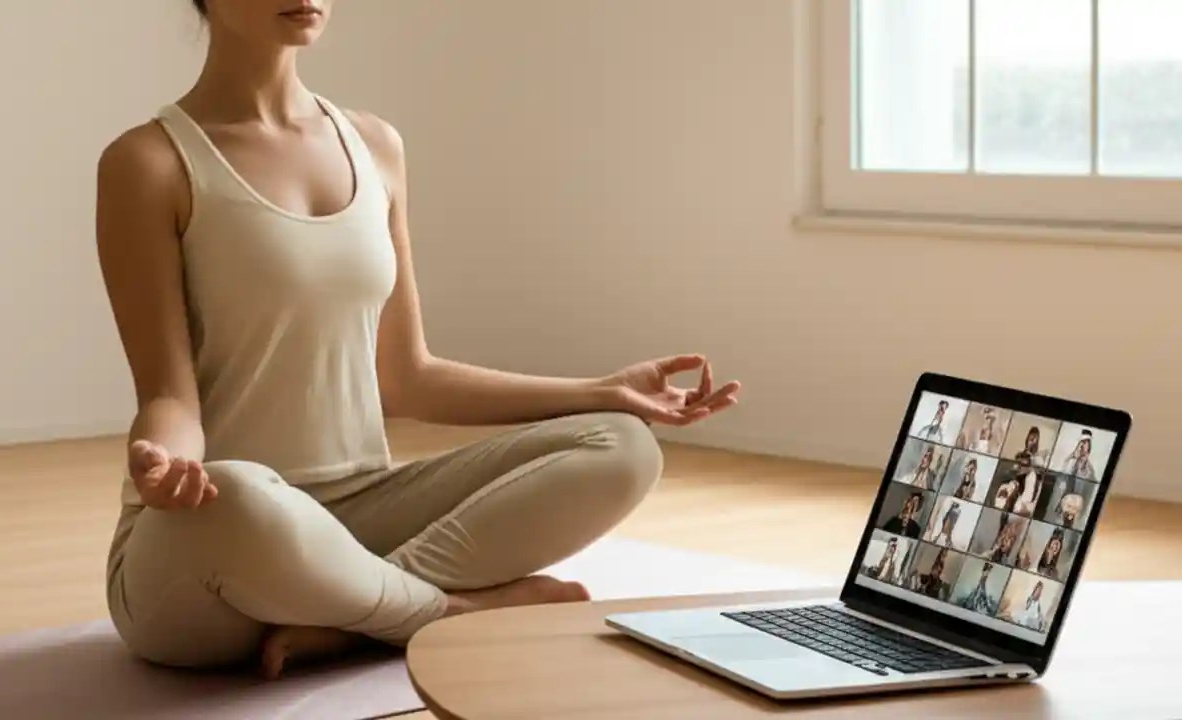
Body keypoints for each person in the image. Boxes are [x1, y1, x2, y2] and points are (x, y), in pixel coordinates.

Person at [95, 0, 741, 679]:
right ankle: (440, 614)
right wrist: (163, 464)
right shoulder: (148, 162)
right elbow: (170, 395)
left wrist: (602, 391)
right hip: (212, 541)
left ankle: (355, 617)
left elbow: (407, 376)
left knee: (622, 445)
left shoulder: (375, 146)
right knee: (246, 495)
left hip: (361, 517)